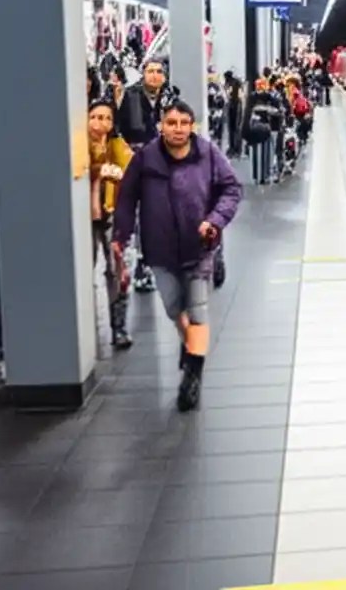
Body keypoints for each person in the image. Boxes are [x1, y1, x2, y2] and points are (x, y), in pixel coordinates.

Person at [112, 99, 242, 411]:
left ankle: (192, 377)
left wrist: (214, 221)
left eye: (185, 123)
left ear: (193, 126)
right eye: (172, 123)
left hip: (200, 249)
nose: (179, 129)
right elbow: (127, 199)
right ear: (160, 126)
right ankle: (190, 345)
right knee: (173, 308)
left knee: (197, 310)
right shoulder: (145, 159)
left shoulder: (208, 153)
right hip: (159, 250)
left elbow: (231, 189)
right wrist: (121, 235)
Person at [117, 59, 172, 293]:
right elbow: (120, 129)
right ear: (143, 74)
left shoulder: (170, 98)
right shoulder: (130, 97)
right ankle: (141, 263)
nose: (155, 76)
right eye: (150, 71)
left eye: (159, 72)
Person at [87, 99, 134, 349]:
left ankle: (119, 327)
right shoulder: (79, 144)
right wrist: (98, 170)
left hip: (111, 213)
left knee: (117, 270)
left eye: (106, 117)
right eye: (94, 117)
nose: (100, 123)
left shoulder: (116, 144)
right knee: (85, 270)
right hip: (84, 216)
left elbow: (131, 169)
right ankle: (87, 327)